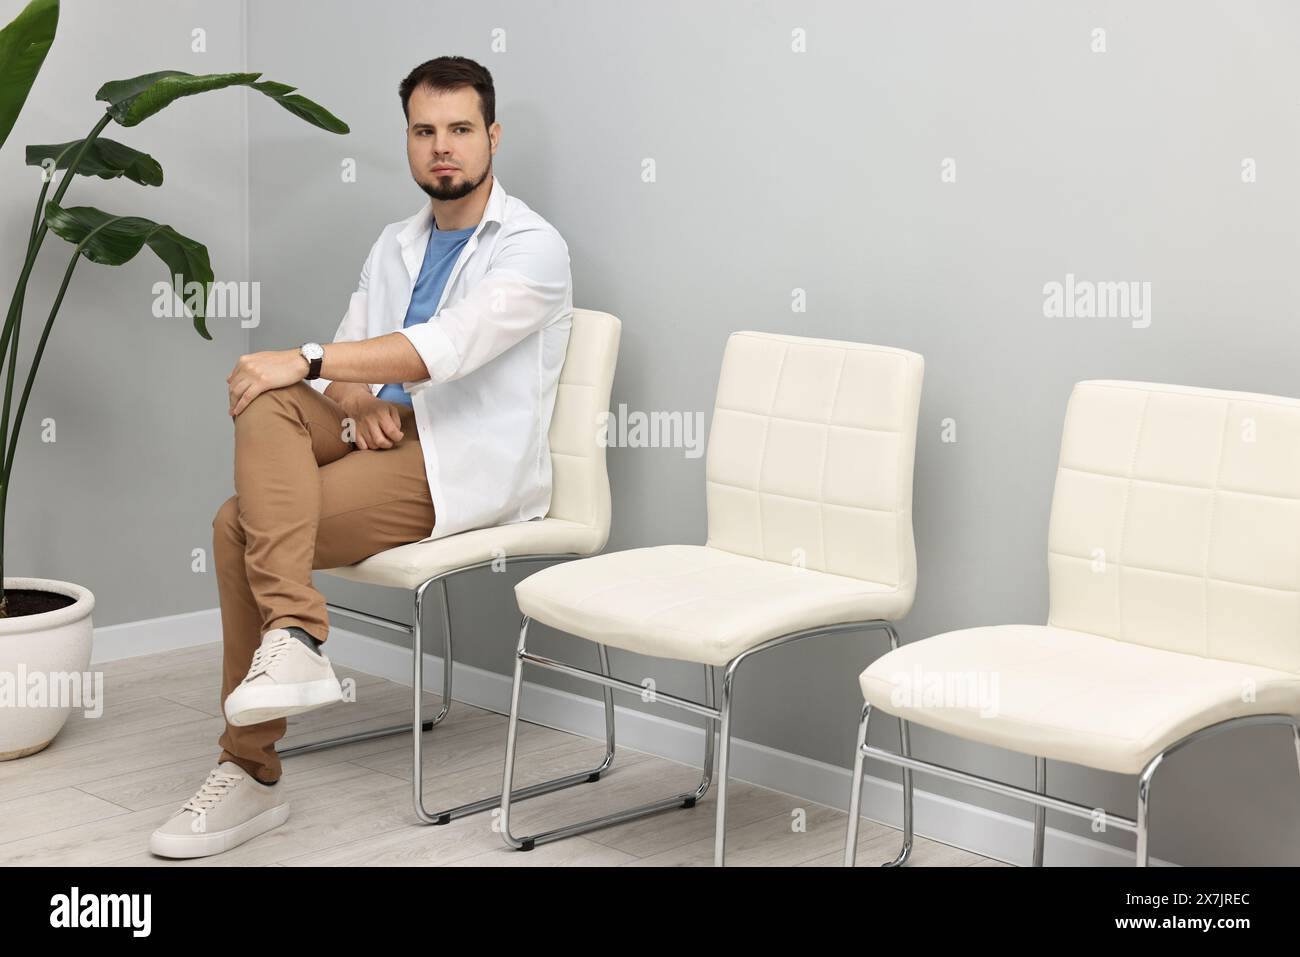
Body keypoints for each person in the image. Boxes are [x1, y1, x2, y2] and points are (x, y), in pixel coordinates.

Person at [149, 55, 573, 858]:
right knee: (265, 390)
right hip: (373, 433)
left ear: (492, 137)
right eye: (424, 131)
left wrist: (313, 361)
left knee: (236, 522)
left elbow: (441, 348)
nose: (441, 147)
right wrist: (350, 394)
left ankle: (252, 765)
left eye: (459, 130)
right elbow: (350, 362)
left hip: (453, 463)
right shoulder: (396, 243)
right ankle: (300, 638)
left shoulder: (532, 248)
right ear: (408, 140)